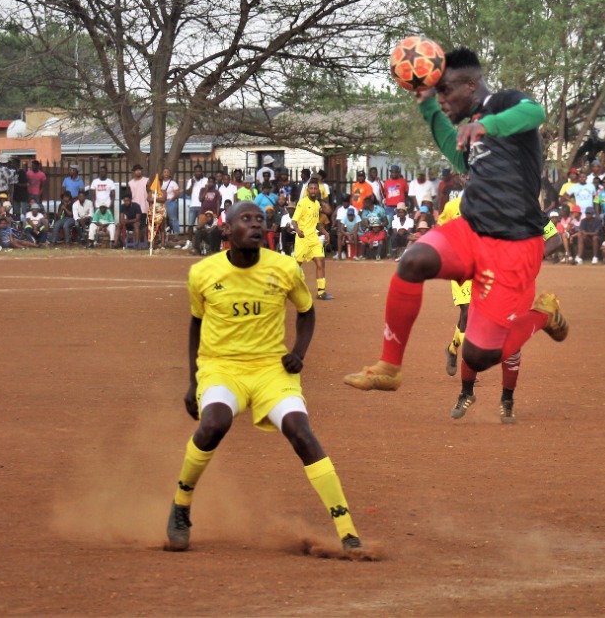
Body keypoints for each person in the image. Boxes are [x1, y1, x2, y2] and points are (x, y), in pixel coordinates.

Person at [343, 47, 567, 392]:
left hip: (512, 245)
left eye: (444, 90)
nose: (441, 98)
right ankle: (390, 366)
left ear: (470, 84)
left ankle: (543, 315)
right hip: (471, 230)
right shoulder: (472, 133)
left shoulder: (505, 103)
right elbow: (456, 154)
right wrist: (427, 104)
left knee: (479, 356)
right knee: (413, 260)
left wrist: (484, 125)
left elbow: (534, 112)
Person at [164, 201, 364, 555]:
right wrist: (195, 381)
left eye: (261, 220)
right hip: (221, 367)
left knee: (301, 432)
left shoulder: (285, 268)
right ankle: (181, 506)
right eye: (247, 219)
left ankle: (347, 530)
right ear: (228, 229)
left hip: (272, 369)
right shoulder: (202, 273)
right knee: (213, 424)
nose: (256, 225)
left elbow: (306, 312)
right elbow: (196, 324)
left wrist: (299, 353)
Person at [290, 179, 333, 299]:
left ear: (318, 191)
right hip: (303, 238)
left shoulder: (317, 204)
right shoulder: (302, 203)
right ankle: (289, 288)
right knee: (297, 265)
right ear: (307, 190)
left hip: (314, 238)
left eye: (315, 188)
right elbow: (294, 221)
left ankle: (321, 292)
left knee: (321, 261)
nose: (313, 191)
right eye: (311, 188)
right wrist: (298, 230)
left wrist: (325, 232)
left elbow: (317, 223)